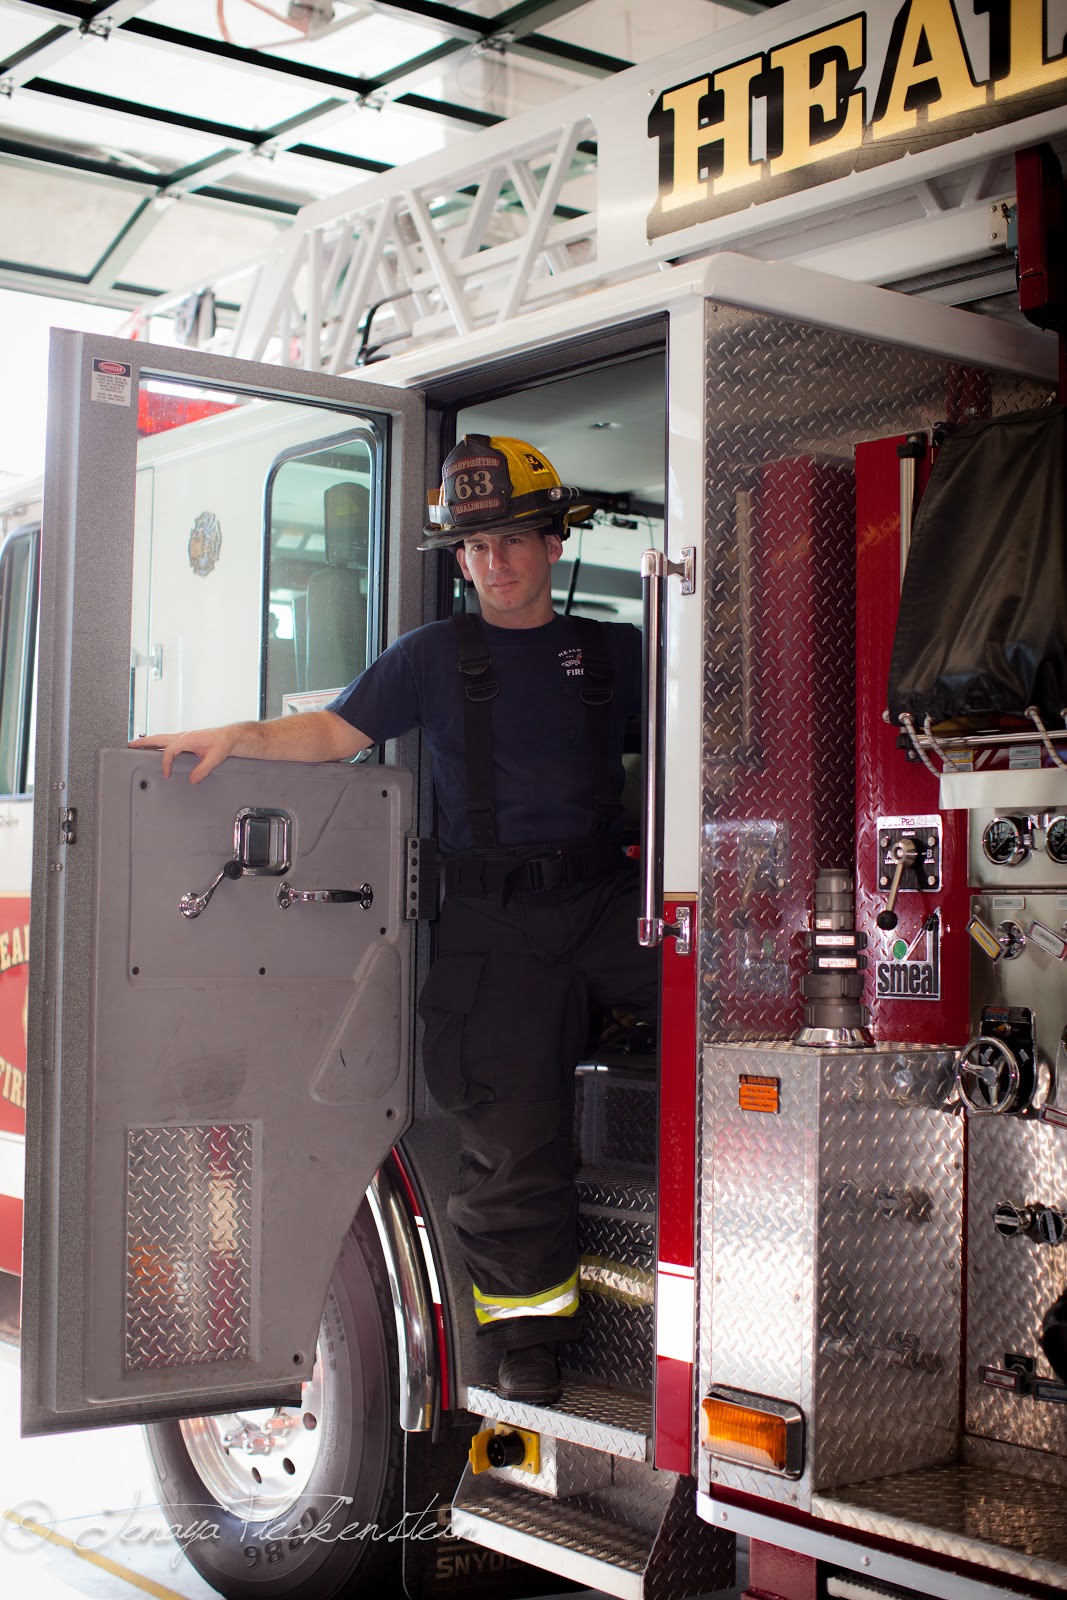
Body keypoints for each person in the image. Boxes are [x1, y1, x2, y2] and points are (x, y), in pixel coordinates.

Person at [133, 434, 657, 1405]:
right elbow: (330, 733)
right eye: (471, 547)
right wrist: (233, 740)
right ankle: (528, 1335)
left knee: (722, 1023)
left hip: (607, 903)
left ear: (551, 542)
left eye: (508, 540)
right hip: (492, 928)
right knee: (510, 1137)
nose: (490, 563)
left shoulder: (618, 653)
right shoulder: (427, 658)